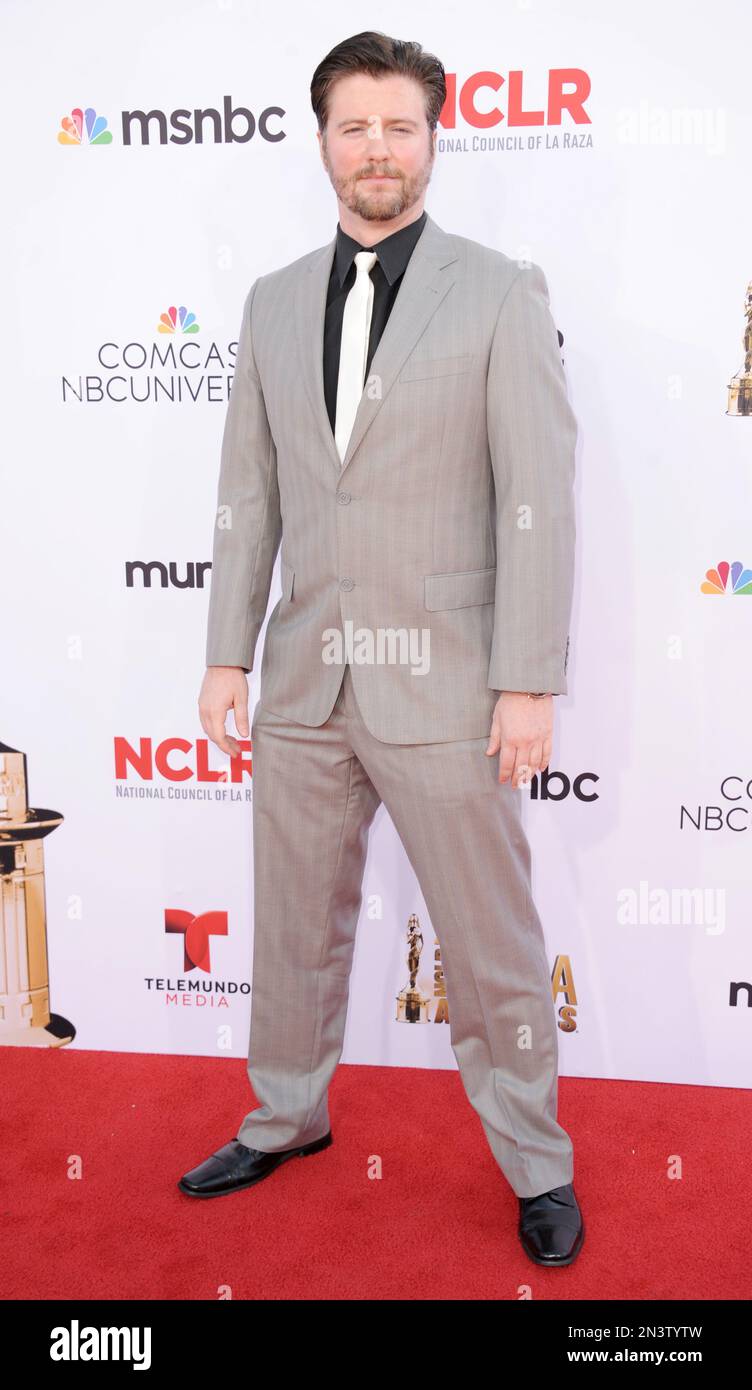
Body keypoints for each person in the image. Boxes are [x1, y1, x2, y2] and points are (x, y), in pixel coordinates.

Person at [180, 30, 583, 1268]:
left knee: (490, 941)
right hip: (306, 677)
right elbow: (248, 492)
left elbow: (538, 496)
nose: (375, 149)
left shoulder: (498, 290)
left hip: (448, 682)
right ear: (321, 141)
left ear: (431, 141)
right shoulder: (270, 299)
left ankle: (536, 1160)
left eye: (398, 127)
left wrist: (525, 680)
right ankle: (283, 1116)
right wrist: (227, 653)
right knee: (292, 925)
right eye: (353, 126)